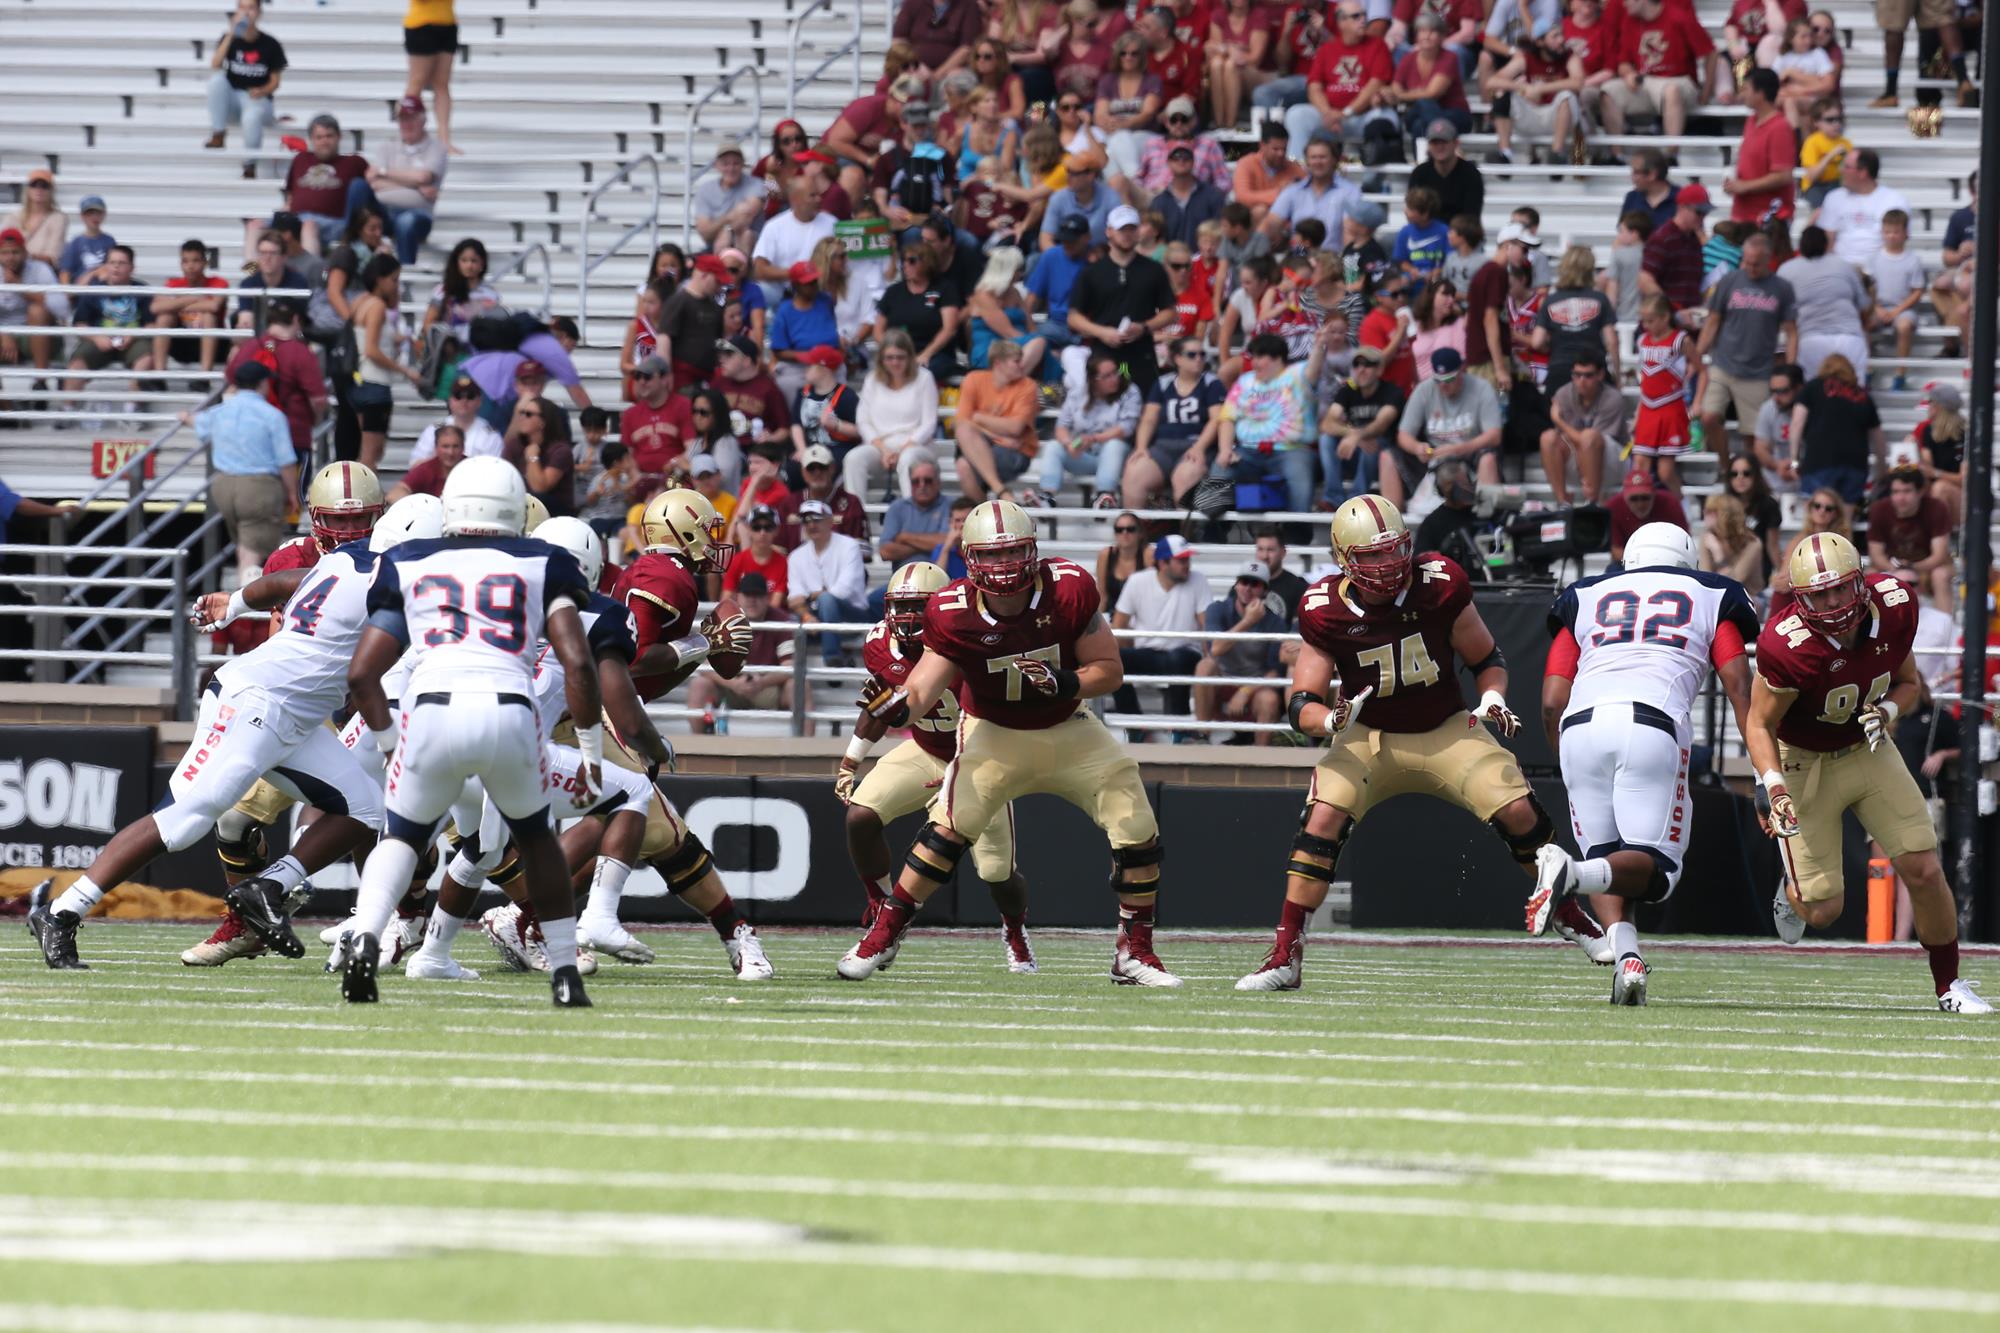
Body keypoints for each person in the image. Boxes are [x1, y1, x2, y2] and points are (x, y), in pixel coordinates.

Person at [29, 464, 387, 972]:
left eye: (360, 522)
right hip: (255, 701)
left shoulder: (344, 566)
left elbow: (287, 581)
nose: (350, 533)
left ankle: (267, 887)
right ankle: (62, 912)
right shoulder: (388, 571)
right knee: (185, 819)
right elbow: (290, 583)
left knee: (366, 809)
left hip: (295, 716)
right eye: (341, 522)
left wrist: (237, 602)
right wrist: (236, 603)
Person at [1235, 497, 1573, 991]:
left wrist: (1493, 697)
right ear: (1344, 558)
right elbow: (1299, 703)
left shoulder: (1439, 583)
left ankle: (1571, 915)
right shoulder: (1324, 607)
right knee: (1322, 819)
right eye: (1372, 556)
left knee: (1522, 812)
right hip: (1368, 736)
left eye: (1394, 551)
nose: (1388, 565)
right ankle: (1286, 953)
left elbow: (1487, 659)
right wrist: (1330, 718)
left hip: (1446, 727)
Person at [840, 501, 1176, 984]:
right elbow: (920, 690)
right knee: (948, 829)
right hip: (993, 731)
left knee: (1137, 825)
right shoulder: (952, 612)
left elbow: (1109, 671)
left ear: (1033, 550)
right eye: (992, 556)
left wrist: (1064, 682)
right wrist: (895, 708)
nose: (1003, 566)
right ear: (970, 559)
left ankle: (1134, 952)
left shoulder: (1069, 588)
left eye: (1014, 552)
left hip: (1067, 725)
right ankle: (883, 934)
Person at [1747, 533, 1989, 1013]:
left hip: (1866, 748)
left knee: (1923, 867)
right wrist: (1771, 786)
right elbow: (1759, 722)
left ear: (1860, 581)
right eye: (1819, 594)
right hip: (1801, 760)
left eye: (1840, 588)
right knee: (1822, 909)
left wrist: (1889, 713)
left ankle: (1950, 985)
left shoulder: (1896, 604)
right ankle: (1790, 886)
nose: (1833, 603)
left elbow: (1907, 683)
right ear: (1801, 600)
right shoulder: (1787, 644)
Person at [1534, 523, 1759, 1004]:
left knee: (1611, 859)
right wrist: (1766, 771)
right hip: (1650, 723)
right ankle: (1569, 876)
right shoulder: (1710, 593)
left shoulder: (1588, 594)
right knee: (1656, 869)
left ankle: (1628, 960)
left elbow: (1552, 699)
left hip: (1578, 727)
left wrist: (1566, 759)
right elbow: (1740, 688)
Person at [836, 562, 1037, 972]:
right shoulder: (879, 643)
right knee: (860, 814)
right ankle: (880, 906)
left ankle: (1015, 931)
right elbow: (883, 706)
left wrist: (963, 767)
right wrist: (850, 759)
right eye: (901, 607)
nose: (907, 618)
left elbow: (1000, 715)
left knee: (998, 874)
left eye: (919, 607)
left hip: (981, 757)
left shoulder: (972, 642)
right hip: (925, 749)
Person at [188, 361, 300, 581]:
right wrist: (293, 493)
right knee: (252, 550)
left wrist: (184, 417)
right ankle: (245, 604)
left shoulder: (220, 411)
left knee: (245, 542)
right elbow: (286, 461)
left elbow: (198, 422)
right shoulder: (272, 415)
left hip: (223, 485)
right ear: (262, 384)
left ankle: (244, 592)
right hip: (258, 486)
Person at [1694, 234, 1798, 455]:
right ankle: (1726, 467)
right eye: (1747, 261)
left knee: (1752, 435)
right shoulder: (1729, 281)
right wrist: (1697, 356)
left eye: (1756, 264)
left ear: (1768, 259)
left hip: (1758, 371)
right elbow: (1713, 321)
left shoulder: (1781, 287)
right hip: (1723, 364)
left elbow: (1791, 332)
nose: (1750, 267)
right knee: (1709, 417)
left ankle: (1749, 480)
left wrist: (1789, 368)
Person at [1068, 204, 1177, 392]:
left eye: (1132, 228)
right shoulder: (1092, 272)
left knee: (1143, 403)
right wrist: (1101, 332)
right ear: (1109, 232)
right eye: (1121, 229)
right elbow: (1074, 316)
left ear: (1138, 232)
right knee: (1104, 406)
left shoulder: (1154, 270)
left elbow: (1170, 311)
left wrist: (1144, 328)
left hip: (1141, 353)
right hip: (1104, 354)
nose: (1127, 234)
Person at [686, 572, 803, 728]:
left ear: (767, 598)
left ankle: (804, 746)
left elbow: (789, 666)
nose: (752, 601)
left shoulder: (781, 621)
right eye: (747, 595)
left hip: (769, 687)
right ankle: (696, 747)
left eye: (758, 595)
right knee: (699, 684)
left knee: (798, 685)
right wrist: (734, 684)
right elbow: (705, 665)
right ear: (738, 597)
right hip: (730, 687)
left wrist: (762, 682)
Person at [1283, 2, 1398, 158]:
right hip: (1330, 117)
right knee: (1296, 114)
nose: (1364, 19)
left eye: (1364, 15)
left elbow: (1375, 85)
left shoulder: (1378, 45)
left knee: (1386, 119)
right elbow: (1314, 87)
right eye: (1357, 16)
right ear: (1341, 22)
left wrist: (1346, 113)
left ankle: (1373, 179)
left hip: (1363, 116)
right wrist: (1328, 113)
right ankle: (1297, 173)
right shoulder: (1327, 49)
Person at [1125, 337, 1225, 508]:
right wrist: (1141, 447)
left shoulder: (1212, 383)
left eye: (1202, 354)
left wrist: (1199, 447)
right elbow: (1149, 418)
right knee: (1135, 473)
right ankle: (1132, 530)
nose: (1199, 359)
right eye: (1192, 355)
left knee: (1185, 478)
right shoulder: (1163, 384)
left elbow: (1217, 419)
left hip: (1196, 446)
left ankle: (1185, 534)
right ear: (1177, 359)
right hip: (1162, 447)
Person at [1194, 559, 1287, 744]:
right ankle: (1202, 737)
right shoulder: (1217, 609)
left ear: (1265, 591)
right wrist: (1248, 622)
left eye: (1255, 584)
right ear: (1236, 586)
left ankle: (1262, 762)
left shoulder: (1275, 621)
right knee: (1204, 666)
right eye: (1244, 582)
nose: (1248, 588)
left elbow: (1274, 672)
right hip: (1221, 680)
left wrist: (1245, 691)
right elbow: (1216, 649)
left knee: (1269, 699)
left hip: (1254, 686)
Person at [1599, 0, 1714, 139]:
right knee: (1608, 91)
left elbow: (1711, 53)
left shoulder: (1679, 17)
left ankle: (1671, 154)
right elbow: (1623, 63)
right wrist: (1629, 74)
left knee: (1671, 90)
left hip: (1679, 80)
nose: (1624, 4)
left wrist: (1706, 93)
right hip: (1645, 82)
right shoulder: (1629, 21)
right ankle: (1617, 156)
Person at [850, 330, 941, 500]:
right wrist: (884, 450)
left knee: (908, 459)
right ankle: (856, 518)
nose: (895, 362)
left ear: (910, 357)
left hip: (917, 446)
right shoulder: (872, 379)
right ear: (881, 359)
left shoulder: (924, 378)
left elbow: (929, 423)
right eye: (889, 357)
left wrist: (902, 450)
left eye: (900, 357)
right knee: (853, 458)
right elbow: (863, 420)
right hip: (880, 447)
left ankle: (912, 513)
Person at [1396, 346, 1504, 488]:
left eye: (1448, 379)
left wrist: (1461, 449)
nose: (1442, 385)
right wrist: (1417, 447)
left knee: (1488, 459)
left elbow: (1494, 435)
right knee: (1388, 456)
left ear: (1461, 370)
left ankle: (1486, 507)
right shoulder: (1423, 389)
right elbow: (1403, 435)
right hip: (1435, 454)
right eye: (1438, 380)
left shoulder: (1481, 388)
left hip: (1472, 451)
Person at [1042, 351, 1140, 506]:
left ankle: (1105, 496)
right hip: (1083, 455)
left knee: (1114, 445)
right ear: (1093, 380)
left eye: (1116, 372)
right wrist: (1069, 444)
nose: (1115, 379)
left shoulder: (1130, 391)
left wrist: (1094, 438)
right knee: (1054, 446)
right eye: (1107, 376)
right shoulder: (1078, 393)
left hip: (1117, 458)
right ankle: (1047, 497)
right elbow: (1061, 426)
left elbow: (1125, 428)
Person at [952, 340, 1042, 504]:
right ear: (998, 363)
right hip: (993, 444)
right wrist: (996, 435)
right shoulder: (973, 379)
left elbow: (1015, 428)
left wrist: (979, 417)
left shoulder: (1028, 386)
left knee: (965, 465)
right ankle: (1000, 491)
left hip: (1015, 452)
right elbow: (961, 423)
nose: (1022, 365)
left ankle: (985, 513)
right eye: (1016, 361)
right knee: (963, 460)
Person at [206, 0, 286, 177]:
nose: (246, 12)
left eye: (251, 8)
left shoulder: (271, 44)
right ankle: (218, 133)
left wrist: (262, 91)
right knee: (216, 80)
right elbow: (215, 64)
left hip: (258, 100)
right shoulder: (229, 39)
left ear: (259, 12)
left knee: (251, 117)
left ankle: (250, 164)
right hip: (233, 100)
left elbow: (275, 82)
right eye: (242, 7)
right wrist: (231, 35)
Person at [62, 245, 156, 397]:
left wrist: (133, 335)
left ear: (132, 268)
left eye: (122, 263)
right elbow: (80, 323)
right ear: (106, 266)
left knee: (146, 358)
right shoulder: (94, 291)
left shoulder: (142, 290)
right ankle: (67, 410)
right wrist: (96, 337)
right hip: (99, 340)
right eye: (112, 263)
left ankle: (132, 409)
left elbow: (151, 324)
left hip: (133, 341)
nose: (116, 267)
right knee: (77, 363)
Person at [1778, 224, 1870, 379]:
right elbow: (1864, 305)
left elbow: (1778, 310)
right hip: (1849, 339)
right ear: (1826, 244)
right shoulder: (1844, 266)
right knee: (1853, 395)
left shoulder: (1787, 270)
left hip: (1808, 340)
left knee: (1813, 398)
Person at [787, 497, 870, 666]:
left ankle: (832, 657)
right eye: (806, 520)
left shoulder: (849, 546)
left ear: (830, 521)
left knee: (827, 600)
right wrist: (806, 615)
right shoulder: (795, 556)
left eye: (817, 519)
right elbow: (794, 598)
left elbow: (842, 591)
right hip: (815, 617)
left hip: (851, 615)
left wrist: (810, 596)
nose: (811, 525)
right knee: (789, 620)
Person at [366, 95, 448, 265]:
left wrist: (384, 173)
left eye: (411, 118)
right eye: (402, 119)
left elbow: (423, 176)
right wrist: (417, 187)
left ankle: (405, 273)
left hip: (418, 214)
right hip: (384, 211)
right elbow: (373, 182)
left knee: (406, 221)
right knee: (358, 189)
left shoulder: (437, 148)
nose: (406, 124)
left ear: (423, 120)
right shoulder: (387, 146)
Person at [1789, 353, 1881, 506]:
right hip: (1855, 464)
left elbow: (1797, 423)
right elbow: (1878, 437)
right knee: (1845, 521)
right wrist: (1881, 469)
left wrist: (1794, 460)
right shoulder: (1863, 395)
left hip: (1819, 461)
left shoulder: (1812, 387)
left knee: (1817, 517)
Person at [1538, 347, 1626, 505]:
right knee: (1547, 438)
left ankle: (1592, 502)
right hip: (1579, 456)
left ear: (1600, 375)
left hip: (1614, 460)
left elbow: (1591, 442)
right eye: (1577, 375)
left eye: (1588, 375)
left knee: (1588, 436)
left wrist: (1558, 421)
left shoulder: (1613, 397)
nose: (1581, 380)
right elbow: (1572, 441)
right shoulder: (1563, 393)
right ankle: (1562, 503)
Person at [350, 253, 414, 470]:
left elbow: (362, 337)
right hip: (375, 383)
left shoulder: (360, 301)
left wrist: (395, 339)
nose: (396, 286)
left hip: (358, 381)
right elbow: (371, 350)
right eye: (394, 280)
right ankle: (367, 501)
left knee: (365, 451)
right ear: (380, 279)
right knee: (371, 455)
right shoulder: (377, 305)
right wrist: (404, 370)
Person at [1486, 19, 1582, 163]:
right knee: (1501, 93)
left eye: (1561, 35)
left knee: (1566, 96)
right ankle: (1505, 153)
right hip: (1531, 114)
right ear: (1540, 42)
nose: (1561, 40)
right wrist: (1523, 87)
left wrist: (1542, 88)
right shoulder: (1526, 58)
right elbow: (1491, 82)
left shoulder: (1569, 56)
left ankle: (1556, 154)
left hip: (1557, 116)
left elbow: (1578, 82)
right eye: (1555, 36)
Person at [1867, 465, 1955, 611]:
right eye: (1895, 492)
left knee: (1941, 575)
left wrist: (1912, 567)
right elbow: (1876, 555)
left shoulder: (1936, 508)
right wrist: (1896, 569)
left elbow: (1939, 555)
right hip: (1890, 565)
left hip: (1927, 567)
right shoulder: (1879, 509)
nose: (1900, 498)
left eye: (1907, 491)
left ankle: (1944, 626)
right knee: (1869, 576)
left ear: (1920, 492)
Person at [873, 241, 965, 380]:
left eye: (912, 261)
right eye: (903, 260)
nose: (905, 265)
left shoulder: (945, 289)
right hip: (898, 352)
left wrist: (926, 354)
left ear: (927, 262)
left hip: (934, 354)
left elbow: (949, 329)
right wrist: (890, 351)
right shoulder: (894, 291)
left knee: (921, 374)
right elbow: (878, 330)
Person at [282, 115, 371, 254]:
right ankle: (251, 272)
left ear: (339, 137)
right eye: (319, 137)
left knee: (308, 226)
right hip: (295, 219)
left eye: (329, 136)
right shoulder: (300, 159)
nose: (324, 141)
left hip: (334, 223)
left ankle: (309, 274)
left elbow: (372, 189)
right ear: (311, 139)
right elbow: (290, 197)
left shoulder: (354, 162)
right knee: (255, 226)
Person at [1630, 294, 1692, 491]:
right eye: (1644, 321)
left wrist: (1696, 402)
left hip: (1670, 407)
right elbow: (1645, 382)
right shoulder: (1642, 341)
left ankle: (1681, 507)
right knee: (1639, 467)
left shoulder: (1680, 340)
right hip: (1648, 408)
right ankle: (1644, 512)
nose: (1646, 325)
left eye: (1651, 320)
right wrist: (1638, 413)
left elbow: (1701, 369)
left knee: (1665, 473)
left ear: (1665, 317)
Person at [1266, 137, 1364, 253]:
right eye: (1313, 157)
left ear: (1334, 160)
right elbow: (1271, 224)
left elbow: (1351, 234)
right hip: (1299, 260)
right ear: (1307, 161)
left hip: (1332, 261)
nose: (1318, 162)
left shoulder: (1350, 192)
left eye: (1322, 157)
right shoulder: (1293, 191)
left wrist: (1348, 269)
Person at [1724, 68, 1797, 225]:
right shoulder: (1751, 121)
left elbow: (1783, 175)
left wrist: (1745, 186)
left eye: (1747, 89)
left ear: (1760, 94)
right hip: (1744, 213)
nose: (1742, 94)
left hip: (1768, 217)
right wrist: (1735, 186)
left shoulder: (1780, 128)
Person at [149, 238, 231, 377]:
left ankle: (204, 377)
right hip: (183, 343)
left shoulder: (218, 282)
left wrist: (176, 302)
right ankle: (159, 376)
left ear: (205, 262)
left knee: (208, 316)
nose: (190, 266)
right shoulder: (173, 283)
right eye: (185, 261)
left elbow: (213, 305)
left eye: (195, 260)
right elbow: (155, 307)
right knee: (165, 317)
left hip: (215, 345)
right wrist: (193, 297)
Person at [1814, 149, 1909, 268]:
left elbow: (1897, 242)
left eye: (1847, 167)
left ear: (1863, 173)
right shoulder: (1834, 197)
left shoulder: (1894, 200)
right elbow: (1827, 242)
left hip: (1880, 270)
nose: (1841, 170)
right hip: (1840, 271)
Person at [1868, 210, 1927, 384]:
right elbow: (1867, 288)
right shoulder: (1874, 258)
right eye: (1887, 232)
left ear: (1905, 233)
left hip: (1903, 309)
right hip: (1877, 307)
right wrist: (1877, 308)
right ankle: (1866, 369)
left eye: (1896, 232)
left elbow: (1917, 290)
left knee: (1904, 326)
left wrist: (1895, 311)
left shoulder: (1912, 260)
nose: (1891, 236)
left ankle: (1900, 373)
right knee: (1863, 323)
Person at [1638, 182, 1711, 318]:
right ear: (1682, 208)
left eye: (1705, 212)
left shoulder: (1693, 238)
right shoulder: (1664, 238)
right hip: (1666, 325)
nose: (1703, 217)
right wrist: (1673, 312)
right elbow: (1644, 279)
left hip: (1687, 319)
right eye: (1699, 212)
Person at [775, 443, 869, 547]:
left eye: (822, 467)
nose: (817, 472)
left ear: (832, 468)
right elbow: (779, 547)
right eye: (811, 468)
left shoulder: (851, 503)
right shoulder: (789, 504)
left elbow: (863, 550)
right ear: (803, 472)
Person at [708, 334, 790, 450]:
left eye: (729, 355)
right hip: (719, 445)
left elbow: (784, 429)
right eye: (721, 355)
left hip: (754, 450)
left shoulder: (769, 388)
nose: (721, 359)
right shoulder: (718, 382)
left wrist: (771, 438)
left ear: (746, 360)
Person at [504, 395, 577, 518]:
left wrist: (532, 457)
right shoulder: (514, 445)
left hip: (555, 514)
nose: (522, 418)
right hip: (521, 509)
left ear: (543, 422)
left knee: (536, 499)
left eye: (528, 414)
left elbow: (539, 488)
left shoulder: (561, 451)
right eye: (521, 413)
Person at [877, 459, 953, 574]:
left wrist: (905, 537)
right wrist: (929, 546)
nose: (921, 486)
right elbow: (885, 552)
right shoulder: (897, 508)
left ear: (938, 482)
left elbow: (947, 543)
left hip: (940, 579)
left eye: (927, 481)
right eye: (916, 481)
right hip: (902, 581)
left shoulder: (951, 505)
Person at [0, 228, 58, 376]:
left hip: (34, 333)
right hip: (3, 334)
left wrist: (20, 287)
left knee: (37, 311)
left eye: (15, 252)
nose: (10, 257)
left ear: (25, 253)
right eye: (5, 253)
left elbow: (60, 307)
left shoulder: (40, 269)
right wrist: (3, 333)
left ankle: (40, 382)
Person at [1407, 119, 1486, 227]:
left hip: (1461, 235)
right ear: (1428, 145)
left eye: (1444, 141)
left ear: (1456, 143)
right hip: (1426, 232)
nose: (1439, 147)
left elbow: (1471, 216)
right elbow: (1413, 211)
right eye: (1434, 142)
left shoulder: (1471, 174)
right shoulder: (1420, 173)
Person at [423, 237, 499, 345]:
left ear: (482, 263)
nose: (469, 265)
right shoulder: (442, 290)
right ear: (456, 262)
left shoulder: (490, 294)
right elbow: (428, 324)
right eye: (464, 260)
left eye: (474, 261)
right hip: (450, 353)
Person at [1606, 468, 1688, 564]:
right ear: (1624, 497)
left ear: (1654, 494)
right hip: (1626, 562)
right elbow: (1615, 550)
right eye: (1634, 499)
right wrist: (1642, 562)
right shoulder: (1613, 507)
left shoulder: (1670, 504)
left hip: (1665, 561)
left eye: (1645, 498)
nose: (1640, 504)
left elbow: (1683, 542)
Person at [694, 146, 765, 256]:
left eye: (735, 163)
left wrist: (727, 230)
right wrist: (727, 222)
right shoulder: (705, 189)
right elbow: (704, 232)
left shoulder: (757, 183)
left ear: (743, 164)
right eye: (725, 164)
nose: (731, 168)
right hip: (716, 243)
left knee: (746, 235)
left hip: (752, 242)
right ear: (717, 166)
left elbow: (747, 213)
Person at [1697, 492, 1767, 593]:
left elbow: (1735, 580)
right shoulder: (1707, 538)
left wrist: (1719, 556)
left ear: (1726, 515)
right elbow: (1705, 580)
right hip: (1718, 594)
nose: (1705, 514)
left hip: (1750, 596)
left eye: (1710, 511)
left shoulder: (1752, 542)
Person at [3, 169, 67, 273]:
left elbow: (51, 259)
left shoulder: (58, 218)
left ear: (51, 190)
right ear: (28, 189)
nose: (39, 189)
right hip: (11, 269)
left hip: (41, 270)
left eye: (44, 186)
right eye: (34, 185)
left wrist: (20, 257)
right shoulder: (13, 217)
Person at [387, 422, 465, 502]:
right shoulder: (427, 468)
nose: (450, 452)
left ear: (463, 448)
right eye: (445, 446)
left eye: (455, 446)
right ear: (436, 448)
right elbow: (394, 494)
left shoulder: (472, 467)